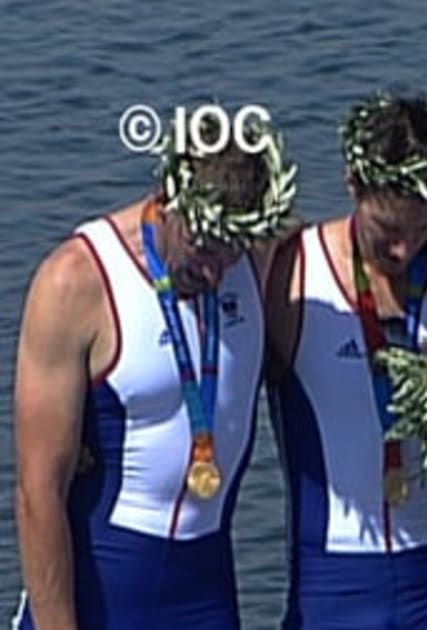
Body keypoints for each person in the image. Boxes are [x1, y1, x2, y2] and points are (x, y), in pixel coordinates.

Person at [11, 117, 297, 628]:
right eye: (203, 245)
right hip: (102, 596)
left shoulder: (255, 253)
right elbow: (38, 493)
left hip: (208, 597)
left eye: (230, 251)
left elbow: (350, 245)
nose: (214, 272)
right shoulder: (75, 283)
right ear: (166, 197)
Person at [265, 92, 427, 629]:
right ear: (353, 186)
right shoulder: (290, 275)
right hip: (330, 595)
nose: (405, 250)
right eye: (388, 231)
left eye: (422, 227)